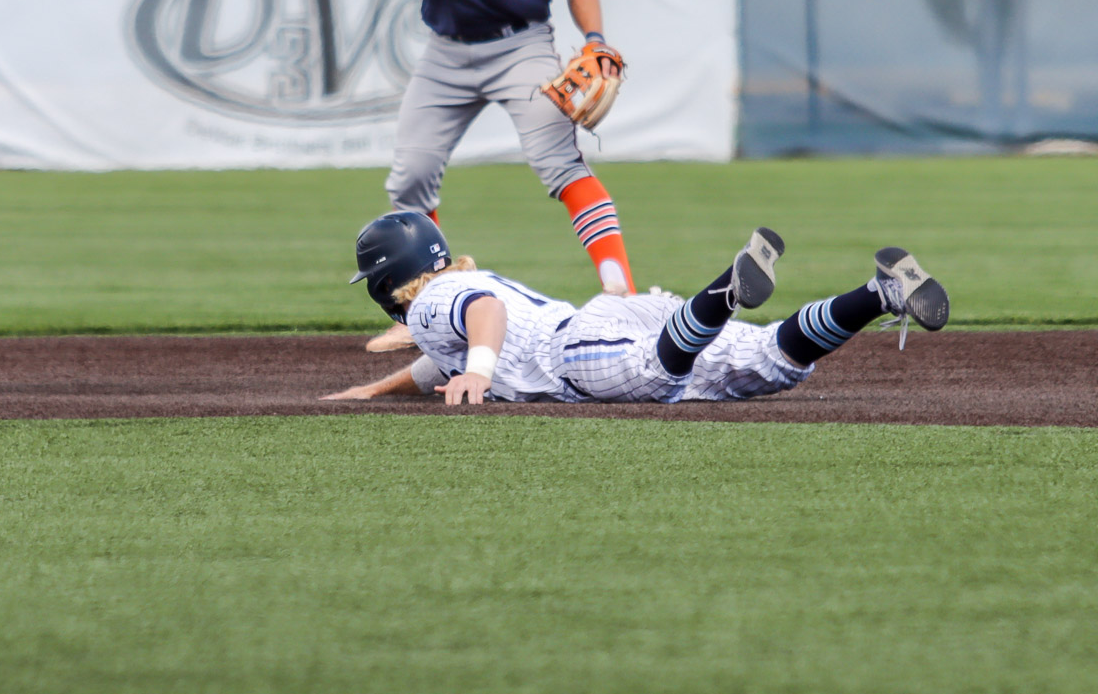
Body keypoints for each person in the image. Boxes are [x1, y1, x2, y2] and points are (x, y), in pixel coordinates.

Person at [271, 0, 630, 354]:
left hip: (520, 49)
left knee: (558, 163)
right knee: (411, 175)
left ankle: (621, 294)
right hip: (446, 52)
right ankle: (425, 310)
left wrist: (595, 37)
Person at [324, 211, 950, 406]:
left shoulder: (430, 303)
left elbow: (483, 315)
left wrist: (482, 372)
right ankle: (881, 293)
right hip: (615, 318)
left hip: (575, 351)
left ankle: (727, 292)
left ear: (387, 278)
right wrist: (372, 391)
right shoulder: (457, 285)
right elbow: (441, 363)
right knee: (767, 365)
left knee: (655, 372)